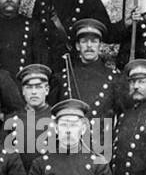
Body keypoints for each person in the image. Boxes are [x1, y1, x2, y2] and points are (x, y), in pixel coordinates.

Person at [52, 18, 129, 160]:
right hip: (67, 149)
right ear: (77, 46)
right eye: (84, 41)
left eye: (94, 41)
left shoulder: (114, 78)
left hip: (100, 149)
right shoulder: (63, 77)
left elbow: (124, 116)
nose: (89, 46)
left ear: (100, 45)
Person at [2, 62, 55, 171]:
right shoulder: (11, 120)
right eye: (29, 87)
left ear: (47, 90)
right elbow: (3, 159)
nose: (34, 92)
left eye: (38, 87)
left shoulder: (57, 119)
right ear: (23, 91)